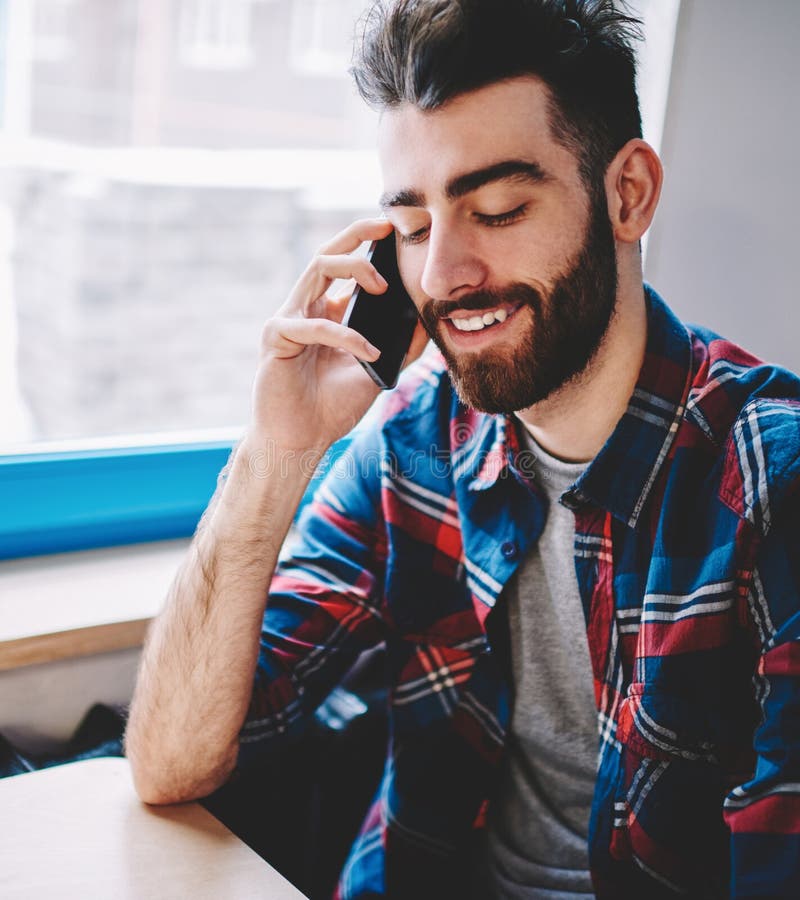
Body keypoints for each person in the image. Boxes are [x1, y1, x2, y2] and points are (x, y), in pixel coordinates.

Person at [125, 1, 800, 897]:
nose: (443, 273)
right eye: (412, 227)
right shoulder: (417, 441)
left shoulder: (769, 485)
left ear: (628, 194)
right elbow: (173, 764)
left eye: (498, 208)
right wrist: (274, 454)